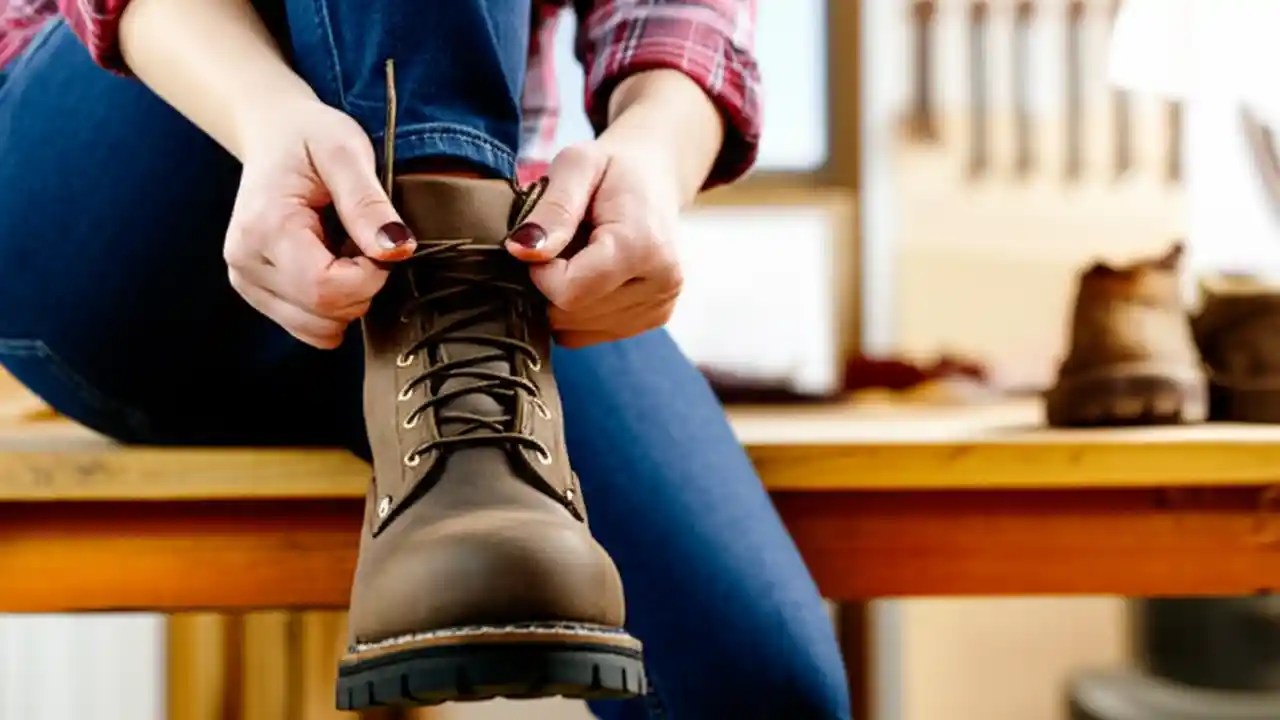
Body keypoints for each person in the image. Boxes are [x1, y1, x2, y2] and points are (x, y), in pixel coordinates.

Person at [0, 0, 851, 717]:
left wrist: (655, 165)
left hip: (480, 269)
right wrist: (264, 115)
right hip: (124, 163)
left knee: (763, 685)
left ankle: (455, 312)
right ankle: (463, 382)